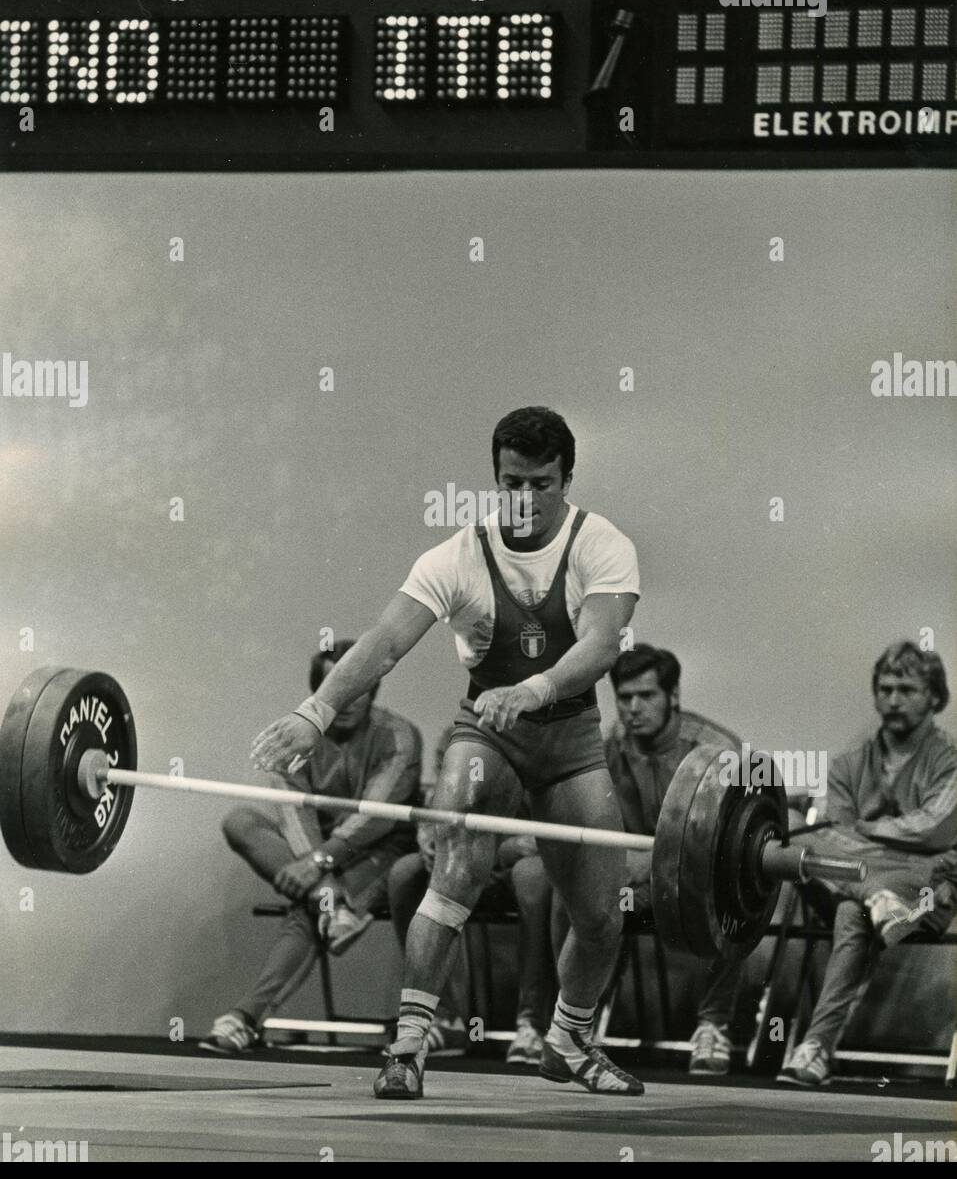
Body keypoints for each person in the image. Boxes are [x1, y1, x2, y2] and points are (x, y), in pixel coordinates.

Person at [253, 406, 644, 1098]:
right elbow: (384, 641)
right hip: (486, 734)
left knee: (599, 912)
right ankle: (407, 1048)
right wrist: (314, 713)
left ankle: (567, 1041)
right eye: (510, 482)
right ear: (495, 477)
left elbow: (602, 644)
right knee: (454, 870)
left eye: (541, 484)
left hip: (570, 739)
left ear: (567, 478)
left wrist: (533, 690)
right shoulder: (455, 557)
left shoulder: (601, 544)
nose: (523, 500)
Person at [202, 639, 422, 1054]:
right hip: (318, 858)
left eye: (358, 687)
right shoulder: (294, 738)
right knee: (240, 822)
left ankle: (245, 1019)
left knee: (310, 907)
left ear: (373, 688)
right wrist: (322, 877)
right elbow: (293, 813)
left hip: (377, 854)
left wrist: (318, 863)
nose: (350, 699)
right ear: (318, 692)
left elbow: (377, 814)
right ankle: (331, 902)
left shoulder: (400, 736)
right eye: (337, 687)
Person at [779, 642, 957, 1088]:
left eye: (906, 689)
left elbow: (933, 832)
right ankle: (873, 892)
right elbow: (827, 827)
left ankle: (817, 1047)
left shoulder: (950, 759)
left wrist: (861, 832)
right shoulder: (849, 763)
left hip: (925, 892)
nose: (892, 699)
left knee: (851, 909)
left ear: (934, 696)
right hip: (857, 884)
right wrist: (880, 858)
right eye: (884, 689)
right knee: (787, 822)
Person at [576, 644, 746, 1076]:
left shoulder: (717, 752)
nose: (633, 708)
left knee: (734, 889)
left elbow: (723, 847)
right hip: (635, 888)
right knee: (576, 890)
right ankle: (575, 1021)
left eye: (646, 696)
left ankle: (713, 1026)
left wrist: (650, 860)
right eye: (625, 697)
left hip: (697, 887)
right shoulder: (612, 742)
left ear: (673, 696)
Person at [387, 725, 555, 1064]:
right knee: (405, 873)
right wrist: (428, 835)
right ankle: (443, 1017)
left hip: (518, 861)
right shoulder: (455, 735)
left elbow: (551, 829)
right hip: (466, 859)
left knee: (532, 877)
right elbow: (440, 802)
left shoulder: (549, 737)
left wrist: (497, 851)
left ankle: (533, 1023)